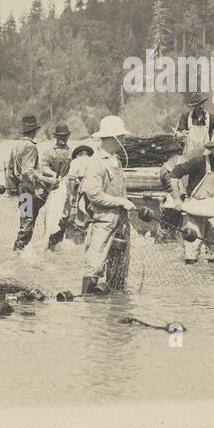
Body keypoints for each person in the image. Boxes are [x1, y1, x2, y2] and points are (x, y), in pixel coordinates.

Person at [160, 132, 214, 263]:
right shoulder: (199, 162)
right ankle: (191, 273)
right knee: (192, 246)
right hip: (194, 207)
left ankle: (213, 277)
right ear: (211, 148)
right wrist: (177, 198)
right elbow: (174, 174)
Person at [80, 115, 136, 294]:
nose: (125, 140)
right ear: (113, 138)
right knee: (94, 265)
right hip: (103, 222)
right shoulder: (95, 162)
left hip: (120, 221)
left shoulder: (115, 159)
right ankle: (87, 302)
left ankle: (113, 307)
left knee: (118, 266)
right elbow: (94, 194)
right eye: (122, 137)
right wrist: (121, 201)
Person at [5, 114, 56, 251]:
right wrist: (48, 180)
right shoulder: (30, 147)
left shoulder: (16, 146)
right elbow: (29, 171)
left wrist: (16, 186)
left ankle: (19, 252)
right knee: (27, 223)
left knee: (25, 222)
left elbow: (10, 171)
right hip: (29, 191)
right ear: (34, 131)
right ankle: (19, 252)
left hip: (22, 190)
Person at [48, 142, 93, 249]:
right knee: (86, 218)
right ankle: (82, 243)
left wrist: (72, 195)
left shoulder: (76, 161)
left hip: (78, 192)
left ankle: (57, 243)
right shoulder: (93, 161)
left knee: (68, 216)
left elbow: (72, 178)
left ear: (77, 155)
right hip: (91, 194)